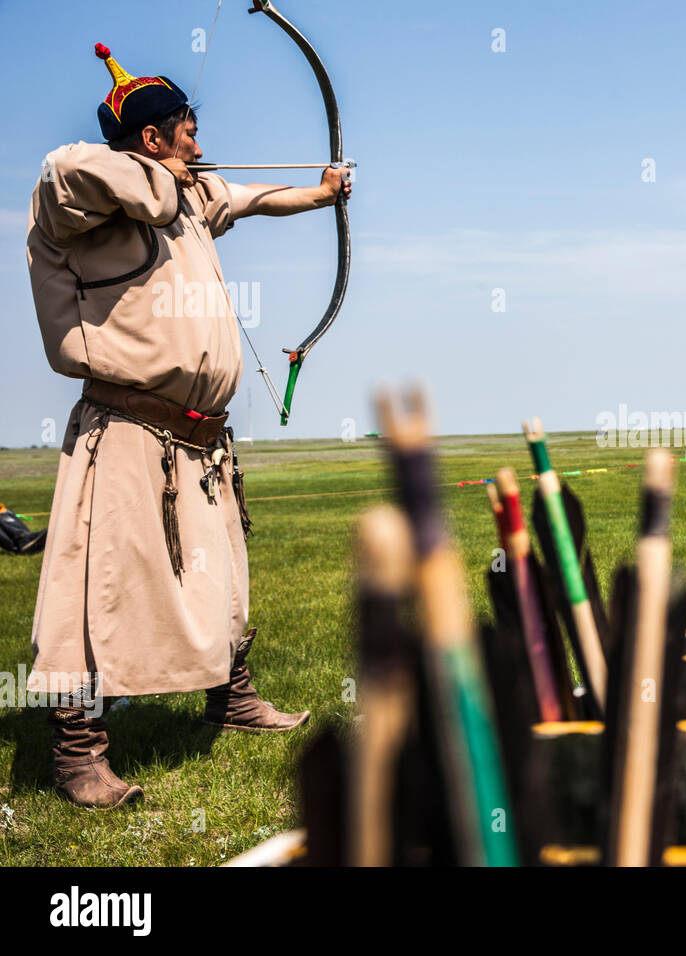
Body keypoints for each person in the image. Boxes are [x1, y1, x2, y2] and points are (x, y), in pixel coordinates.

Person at [25, 45, 352, 808]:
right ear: (152, 138)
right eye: (188, 132)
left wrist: (321, 194)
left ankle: (231, 700)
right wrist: (160, 177)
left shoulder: (187, 205)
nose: (199, 149)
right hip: (126, 427)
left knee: (222, 580)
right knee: (90, 591)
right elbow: (66, 169)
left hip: (199, 436)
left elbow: (248, 198)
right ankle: (78, 752)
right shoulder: (77, 205)